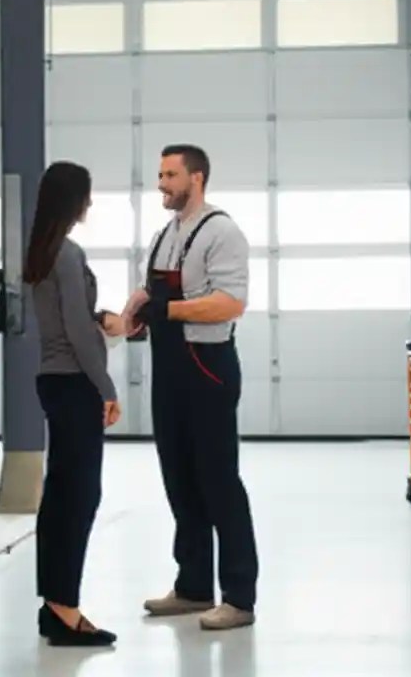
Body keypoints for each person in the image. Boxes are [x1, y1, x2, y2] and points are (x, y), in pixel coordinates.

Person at [121, 144, 259, 631]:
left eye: (170, 175)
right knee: (179, 479)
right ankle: (194, 587)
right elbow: (151, 291)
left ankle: (239, 597)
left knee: (219, 481)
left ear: (196, 178)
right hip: (170, 367)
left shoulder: (221, 231)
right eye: (160, 174)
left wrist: (169, 311)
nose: (161, 183)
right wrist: (131, 314)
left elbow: (229, 303)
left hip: (208, 367)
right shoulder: (165, 234)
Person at [24, 160, 125, 648]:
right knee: (80, 496)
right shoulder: (67, 253)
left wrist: (99, 317)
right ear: (74, 200)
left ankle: (54, 605)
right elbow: (78, 334)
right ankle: (65, 609)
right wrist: (106, 387)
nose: (90, 203)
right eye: (86, 194)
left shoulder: (42, 251)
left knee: (61, 495)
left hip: (52, 380)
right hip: (74, 383)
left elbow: (73, 318)